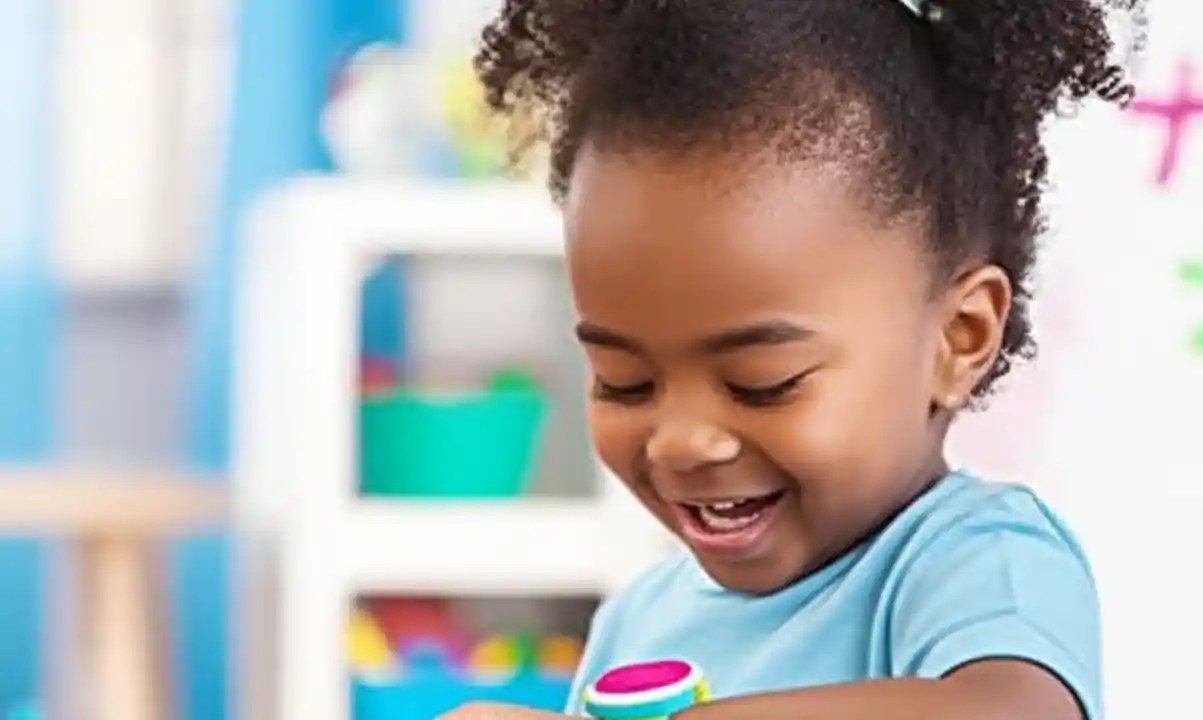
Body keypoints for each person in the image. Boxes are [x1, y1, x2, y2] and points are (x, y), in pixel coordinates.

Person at [446, 0, 1142, 717]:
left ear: (958, 338)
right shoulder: (638, 627)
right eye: (626, 384)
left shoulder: (979, 559)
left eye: (762, 385)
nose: (681, 440)